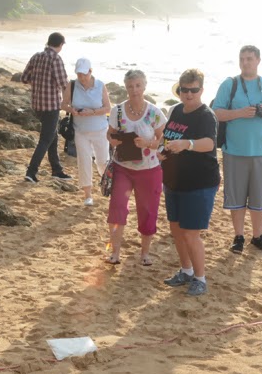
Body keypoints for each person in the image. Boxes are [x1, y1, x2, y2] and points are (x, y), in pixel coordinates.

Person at [211, 45, 262, 253]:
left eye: (249, 59)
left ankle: (257, 236)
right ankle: (238, 236)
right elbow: (216, 112)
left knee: (259, 196)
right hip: (234, 150)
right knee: (236, 197)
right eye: (242, 59)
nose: (245, 62)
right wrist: (240, 113)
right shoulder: (230, 84)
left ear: (258, 60)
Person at [160, 68, 219, 297]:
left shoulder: (206, 115)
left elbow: (209, 144)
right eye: (184, 90)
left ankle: (200, 278)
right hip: (174, 180)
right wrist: (161, 152)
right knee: (176, 229)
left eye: (193, 90)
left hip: (199, 182)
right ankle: (185, 271)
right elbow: (168, 138)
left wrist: (188, 144)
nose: (188, 95)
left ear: (201, 90)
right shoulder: (176, 111)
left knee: (190, 233)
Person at [106, 69, 167, 266]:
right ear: (126, 88)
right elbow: (110, 134)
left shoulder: (154, 113)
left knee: (148, 211)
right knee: (117, 208)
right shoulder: (118, 111)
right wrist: (113, 141)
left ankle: (145, 254)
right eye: (130, 86)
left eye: (138, 85)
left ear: (145, 86)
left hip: (149, 169)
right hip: (122, 166)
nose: (135, 90)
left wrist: (147, 144)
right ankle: (115, 253)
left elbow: (164, 141)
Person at [20, 32, 72, 184]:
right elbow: (63, 82)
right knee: (46, 139)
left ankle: (57, 170)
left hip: (37, 104)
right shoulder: (55, 59)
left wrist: (38, 83)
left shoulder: (37, 56)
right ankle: (31, 171)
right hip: (51, 105)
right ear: (61, 45)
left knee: (52, 136)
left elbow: (24, 78)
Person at [65, 57, 111, 207]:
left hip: (100, 130)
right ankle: (88, 194)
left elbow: (107, 108)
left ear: (91, 71)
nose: (82, 78)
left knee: (102, 161)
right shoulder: (72, 85)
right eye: (79, 74)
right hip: (80, 131)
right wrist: (72, 110)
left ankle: (106, 184)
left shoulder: (100, 85)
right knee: (84, 161)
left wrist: (91, 112)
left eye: (84, 74)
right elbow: (63, 104)